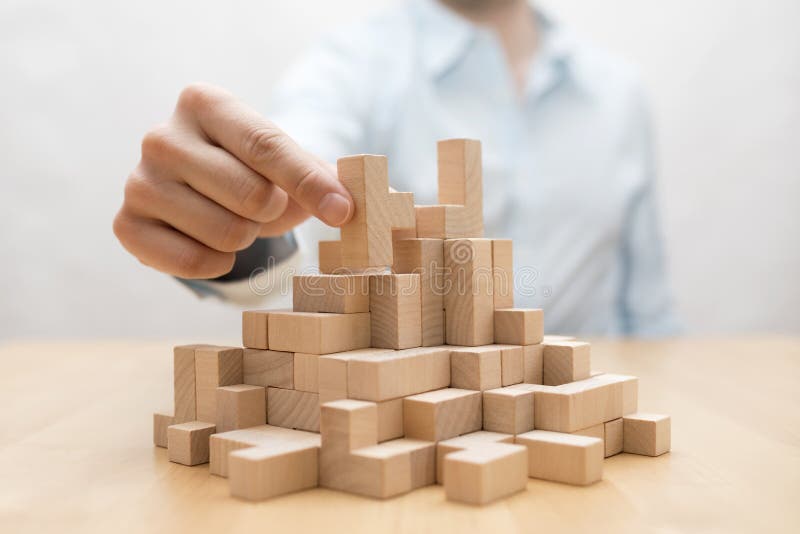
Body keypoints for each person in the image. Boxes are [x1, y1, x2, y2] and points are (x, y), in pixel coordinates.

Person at [113, 0, 678, 336]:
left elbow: (650, 311)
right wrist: (229, 219)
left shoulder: (619, 93)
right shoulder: (349, 68)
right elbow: (287, 232)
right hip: (420, 440)